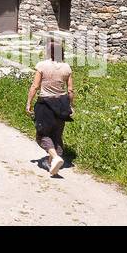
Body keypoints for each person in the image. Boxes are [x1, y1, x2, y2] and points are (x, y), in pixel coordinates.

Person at [25, 38, 73, 177]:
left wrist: (29, 102)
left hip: (46, 103)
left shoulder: (42, 65)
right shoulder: (67, 68)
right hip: (62, 103)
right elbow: (70, 90)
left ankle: (55, 157)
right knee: (57, 135)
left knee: (42, 135)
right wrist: (70, 105)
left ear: (49, 52)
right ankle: (52, 163)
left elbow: (35, 86)